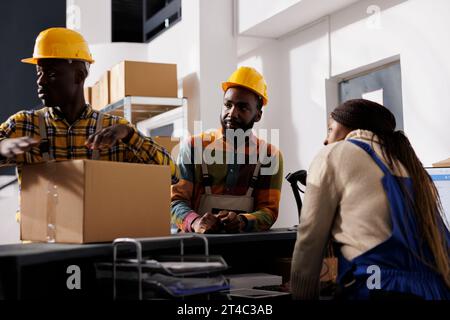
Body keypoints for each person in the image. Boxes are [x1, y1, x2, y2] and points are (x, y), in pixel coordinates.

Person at [0, 28, 179, 221]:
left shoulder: (113, 130)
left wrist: (129, 134)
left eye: (51, 73)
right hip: (40, 246)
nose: (40, 81)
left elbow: (170, 175)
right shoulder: (23, 125)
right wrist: (2, 148)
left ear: (79, 76)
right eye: (39, 72)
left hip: (98, 245)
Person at [290, 99, 450, 300]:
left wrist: (300, 296)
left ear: (349, 126)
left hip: (379, 290)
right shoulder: (408, 164)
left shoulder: (335, 153)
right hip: (436, 290)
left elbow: (309, 240)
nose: (325, 140)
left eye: (330, 129)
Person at [171, 67, 283, 233]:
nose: (232, 113)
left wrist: (243, 221)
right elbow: (175, 202)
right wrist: (195, 222)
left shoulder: (269, 155)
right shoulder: (193, 147)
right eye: (228, 105)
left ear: (258, 115)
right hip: (197, 249)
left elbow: (269, 211)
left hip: (245, 250)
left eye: (242, 108)